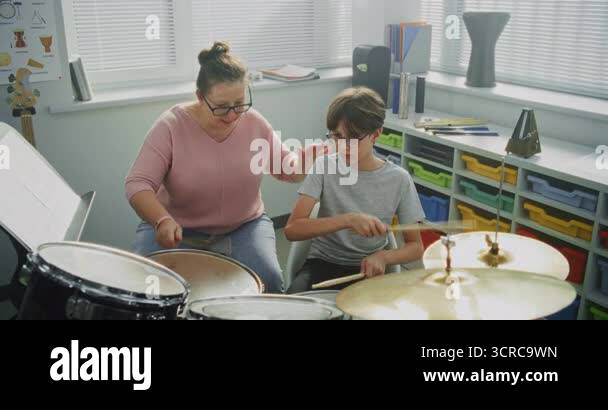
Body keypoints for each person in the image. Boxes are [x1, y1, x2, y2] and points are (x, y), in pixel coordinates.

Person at [125, 41, 323, 293]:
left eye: (239, 103)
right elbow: (137, 183)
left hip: (243, 227)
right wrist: (161, 220)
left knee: (270, 281)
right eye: (221, 107)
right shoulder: (171, 125)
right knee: (146, 288)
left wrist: (308, 157)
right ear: (200, 97)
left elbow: (288, 170)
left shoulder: (253, 123)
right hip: (175, 228)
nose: (232, 115)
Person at [285, 87, 426, 293]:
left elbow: (416, 247)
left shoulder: (399, 179)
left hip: (369, 272)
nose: (343, 146)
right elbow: (292, 230)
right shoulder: (324, 166)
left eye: (353, 138)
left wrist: (383, 256)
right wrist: (348, 220)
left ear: (376, 134)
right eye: (337, 136)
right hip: (322, 263)